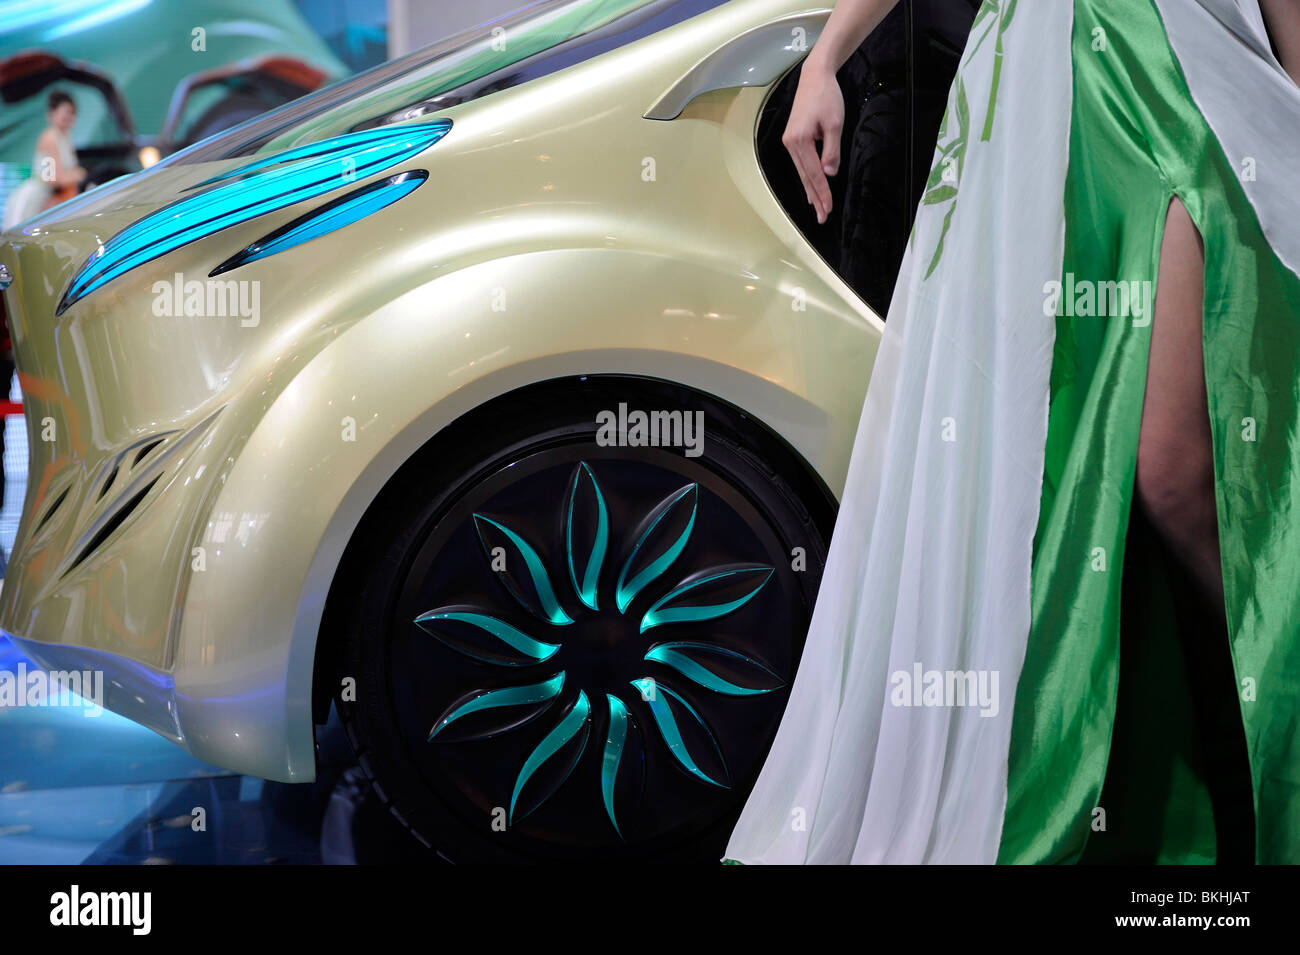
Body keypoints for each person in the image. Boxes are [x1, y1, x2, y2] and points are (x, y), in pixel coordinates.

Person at [725, 0, 1300, 864]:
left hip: (1187, 70)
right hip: (1032, 100)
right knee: (1059, 455)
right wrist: (824, 60)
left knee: (1176, 469)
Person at [2, 90, 86, 229]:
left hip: (53, 198)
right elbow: (53, 179)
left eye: (72, 113)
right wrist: (79, 174)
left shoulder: (65, 137)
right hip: (37, 199)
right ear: (52, 113)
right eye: (65, 113)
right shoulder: (50, 137)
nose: (69, 117)